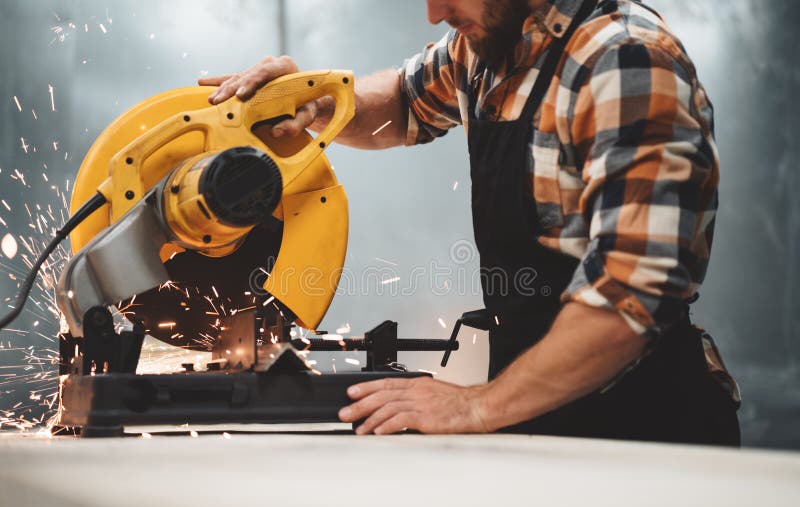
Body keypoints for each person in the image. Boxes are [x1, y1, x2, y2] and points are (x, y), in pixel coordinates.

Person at [200, 0, 741, 444]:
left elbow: (630, 298)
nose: (435, 13)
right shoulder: (485, 47)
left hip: (645, 430)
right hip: (539, 415)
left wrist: (476, 406)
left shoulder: (625, 60)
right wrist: (321, 102)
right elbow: (404, 103)